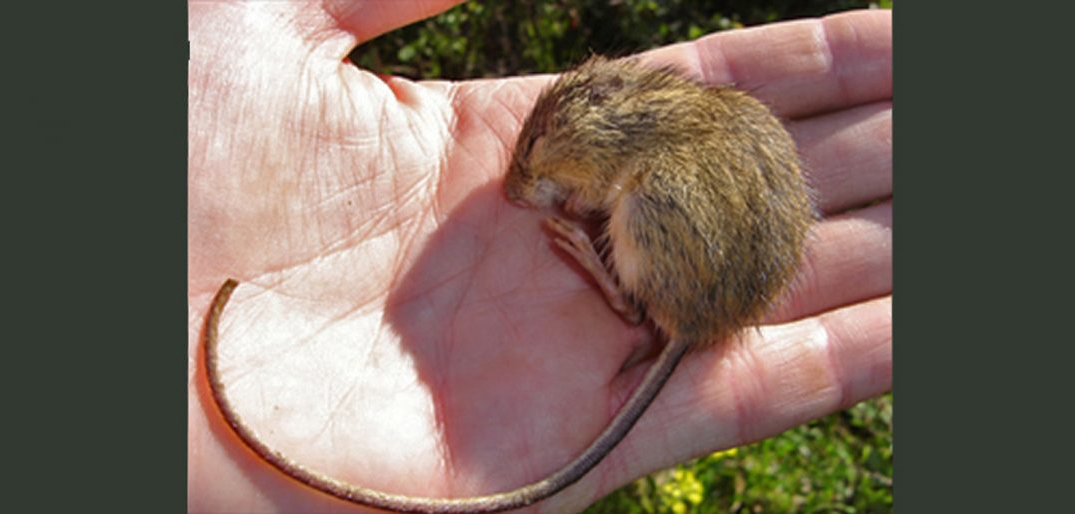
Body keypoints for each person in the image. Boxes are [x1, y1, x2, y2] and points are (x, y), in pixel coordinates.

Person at [188, 2, 892, 512]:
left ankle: (625, 301)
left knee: (652, 206)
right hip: (733, 245)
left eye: (544, 166)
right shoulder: (652, 115)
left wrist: (597, 254)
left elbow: (602, 184)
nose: (531, 185)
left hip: (694, 276)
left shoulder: (622, 160)